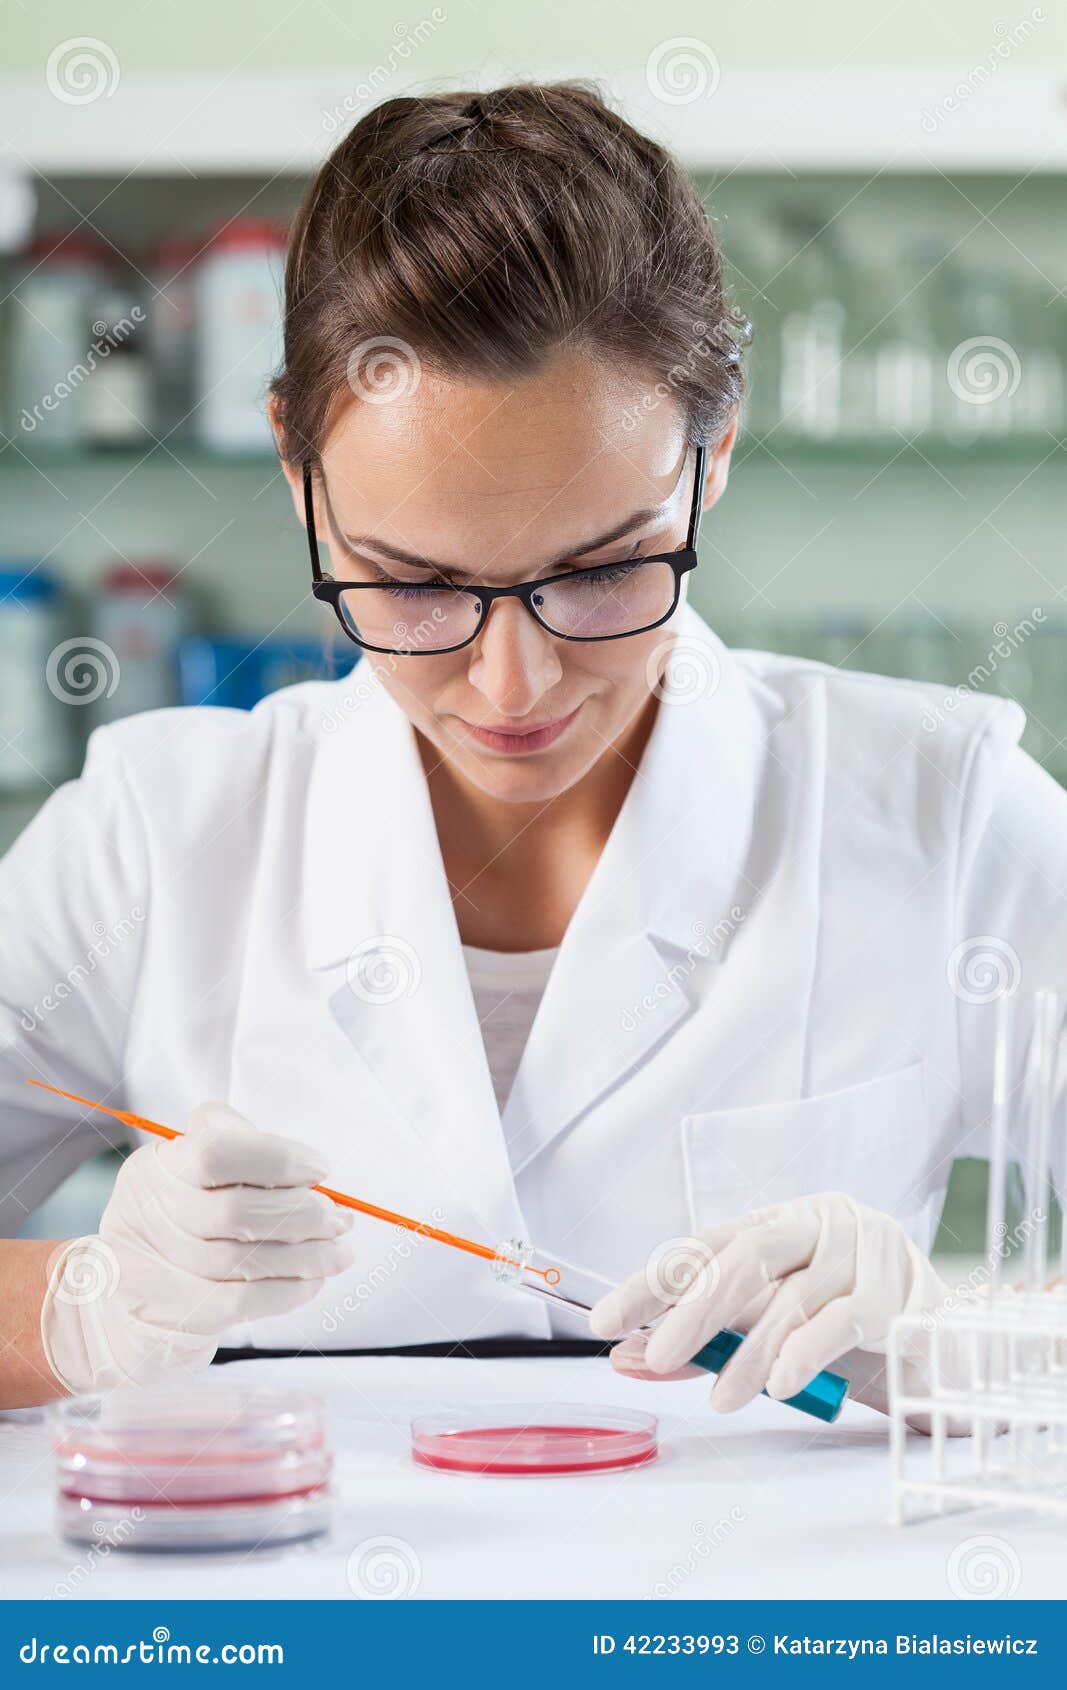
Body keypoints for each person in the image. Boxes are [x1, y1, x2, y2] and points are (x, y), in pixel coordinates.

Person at [0, 82, 1063, 1414]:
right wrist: (83, 1307)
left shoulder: (942, 813)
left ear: (711, 455)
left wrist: (963, 1339)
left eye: (604, 571)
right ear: (298, 471)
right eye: (413, 583)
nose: (514, 683)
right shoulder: (152, 839)